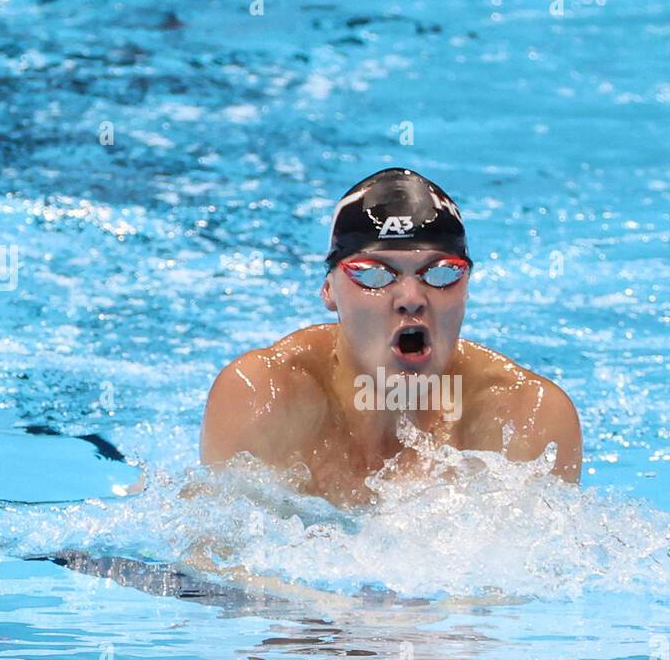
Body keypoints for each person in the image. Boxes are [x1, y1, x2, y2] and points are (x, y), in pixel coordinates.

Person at [199, 167, 582, 507]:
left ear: (466, 287)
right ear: (329, 290)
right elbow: (216, 566)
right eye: (374, 274)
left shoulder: (528, 418)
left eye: (441, 273)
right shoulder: (265, 396)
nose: (412, 299)